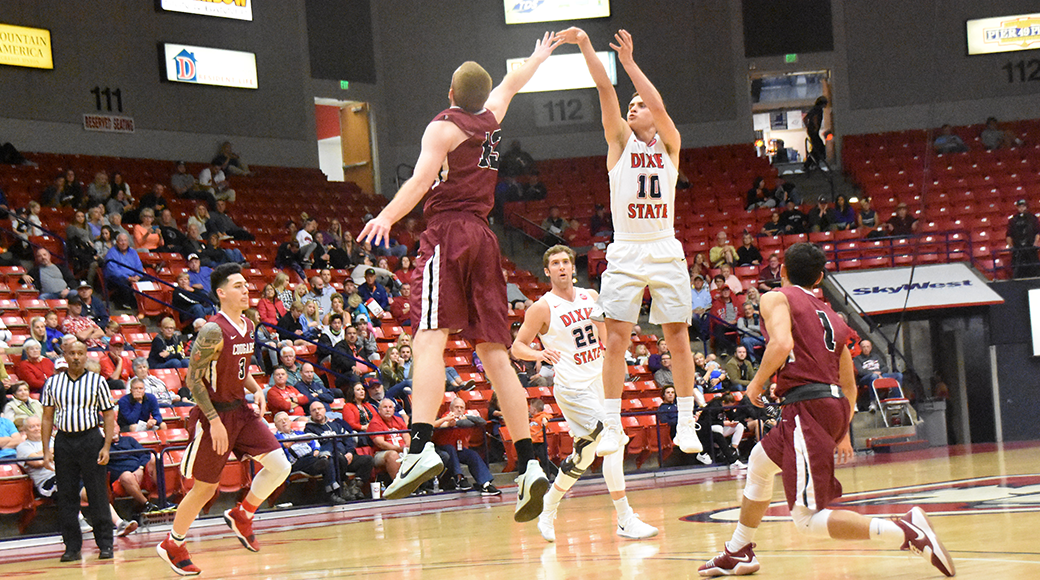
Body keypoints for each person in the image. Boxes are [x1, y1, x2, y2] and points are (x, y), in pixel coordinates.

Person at [356, 33, 562, 517]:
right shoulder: (492, 117)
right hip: (485, 239)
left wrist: (386, 216)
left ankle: (420, 446)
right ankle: (530, 463)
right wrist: (537, 56)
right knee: (495, 354)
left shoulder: (443, 127)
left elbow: (419, 180)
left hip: (448, 232)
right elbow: (511, 83)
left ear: (450, 93)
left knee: (429, 337)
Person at [699, 243, 954, 578]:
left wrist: (755, 385)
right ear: (819, 278)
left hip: (806, 407)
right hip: (829, 406)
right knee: (760, 464)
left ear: (783, 272)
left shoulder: (776, 297)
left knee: (807, 519)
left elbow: (782, 343)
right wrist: (841, 431)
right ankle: (738, 550)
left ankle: (904, 532)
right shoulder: (834, 317)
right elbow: (849, 386)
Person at [560, 27, 700, 458]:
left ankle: (686, 421)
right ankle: (612, 424)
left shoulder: (670, 145)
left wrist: (631, 65)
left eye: (639, 105)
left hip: (664, 245)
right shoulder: (620, 142)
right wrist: (587, 46)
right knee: (617, 339)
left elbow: (657, 104)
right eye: (631, 105)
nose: (633, 108)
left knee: (677, 336)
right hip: (625, 247)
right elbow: (605, 89)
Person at [512, 245, 658, 542]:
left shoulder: (590, 296)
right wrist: (539, 354)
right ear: (547, 271)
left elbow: (605, 334)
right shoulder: (542, 307)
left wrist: (615, 360)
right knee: (614, 439)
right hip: (573, 388)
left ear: (572, 267)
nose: (562, 267)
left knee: (584, 456)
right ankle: (625, 519)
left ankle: (549, 506)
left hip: (600, 381)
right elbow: (517, 347)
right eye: (556, 263)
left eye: (566, 261)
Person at [157, 264, 290, 576]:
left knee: (280, 466)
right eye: (238, 286)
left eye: (246, 284)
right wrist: (214, 421)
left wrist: (257, 389)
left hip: (240, 410)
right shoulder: (212, 331)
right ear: (221, 293)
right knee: (205, 489)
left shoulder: (248, 324)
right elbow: (193, 380)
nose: (246, 290)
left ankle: (243, 514)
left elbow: (238, 369)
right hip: (213, 414)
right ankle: (172, 544)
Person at [40, 340, 118, 562]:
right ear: (65, 355)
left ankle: (105, 544)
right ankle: (72, 547)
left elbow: (108, 415)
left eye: (80, 353)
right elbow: (47, 418)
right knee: (67, 495)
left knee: (97, 493)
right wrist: (46, 450)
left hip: (91, 439)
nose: (75, 357)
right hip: (64, 441)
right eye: (72, 353)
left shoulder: (97, 381)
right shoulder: (53, 383)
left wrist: (106, 446)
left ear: (86, 356)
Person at [273, 411, 349, 505]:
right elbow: (273, 449)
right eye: (280, 421)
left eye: (285, 419)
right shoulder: (275, 438)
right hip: (297, 462)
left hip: (312, 457)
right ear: (276, 425)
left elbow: (314, 441)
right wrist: (284, 445)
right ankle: (335, 491)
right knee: (329, 458)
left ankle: (323, 460)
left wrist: (316, 449)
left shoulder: (299, 433)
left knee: (329, 450)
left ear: (290, 421)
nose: (284, 422)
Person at [431, 395, 500, 494]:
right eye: (456, 407)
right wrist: (454, 422)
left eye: (461, 407)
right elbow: (445, 425)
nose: (459, 410)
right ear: (451, 408)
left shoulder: (466, 416)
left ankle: (485, 484)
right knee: (450, 449)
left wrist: (465, 418)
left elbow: (482, 422)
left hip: (458, 449)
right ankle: (459, 479)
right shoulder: (446, 416)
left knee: (473, 455)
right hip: (443, 448)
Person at [104, 234, 143, 309]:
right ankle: (125, 304)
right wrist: (128, 278)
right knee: (123, 282)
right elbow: (113, 270)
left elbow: (139, 266)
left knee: (149, 280)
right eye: (121, 241)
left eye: (125, 240)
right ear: (117, 242)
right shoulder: (111, 253)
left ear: (128, 242)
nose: (123, 243)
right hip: (117, 278)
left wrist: (138, 276)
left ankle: (143, 305)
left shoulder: (133, 252)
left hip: (133, 276)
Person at [1007, 198, 1040, 279]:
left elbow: (1037, 232)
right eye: (1020, 207)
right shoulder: (1013, 220)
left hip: (1030, 248)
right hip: (1018, 249)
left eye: (1023, 206)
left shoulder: (1033, 218)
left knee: (1034, 269)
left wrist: (1036, 243)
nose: (1022, 208)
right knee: (1018, 270)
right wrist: (1011, 246)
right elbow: (1009, 234)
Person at [803, 96, 828, 171]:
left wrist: (807, 126)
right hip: (814, 131)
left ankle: (812, 164)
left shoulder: (813, 109)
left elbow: (805, 118)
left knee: (816, 148)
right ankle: (811, 164)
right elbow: (815, 118)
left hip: (811, 131)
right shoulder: (818, 110)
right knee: (820, 147)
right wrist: (816, 127)